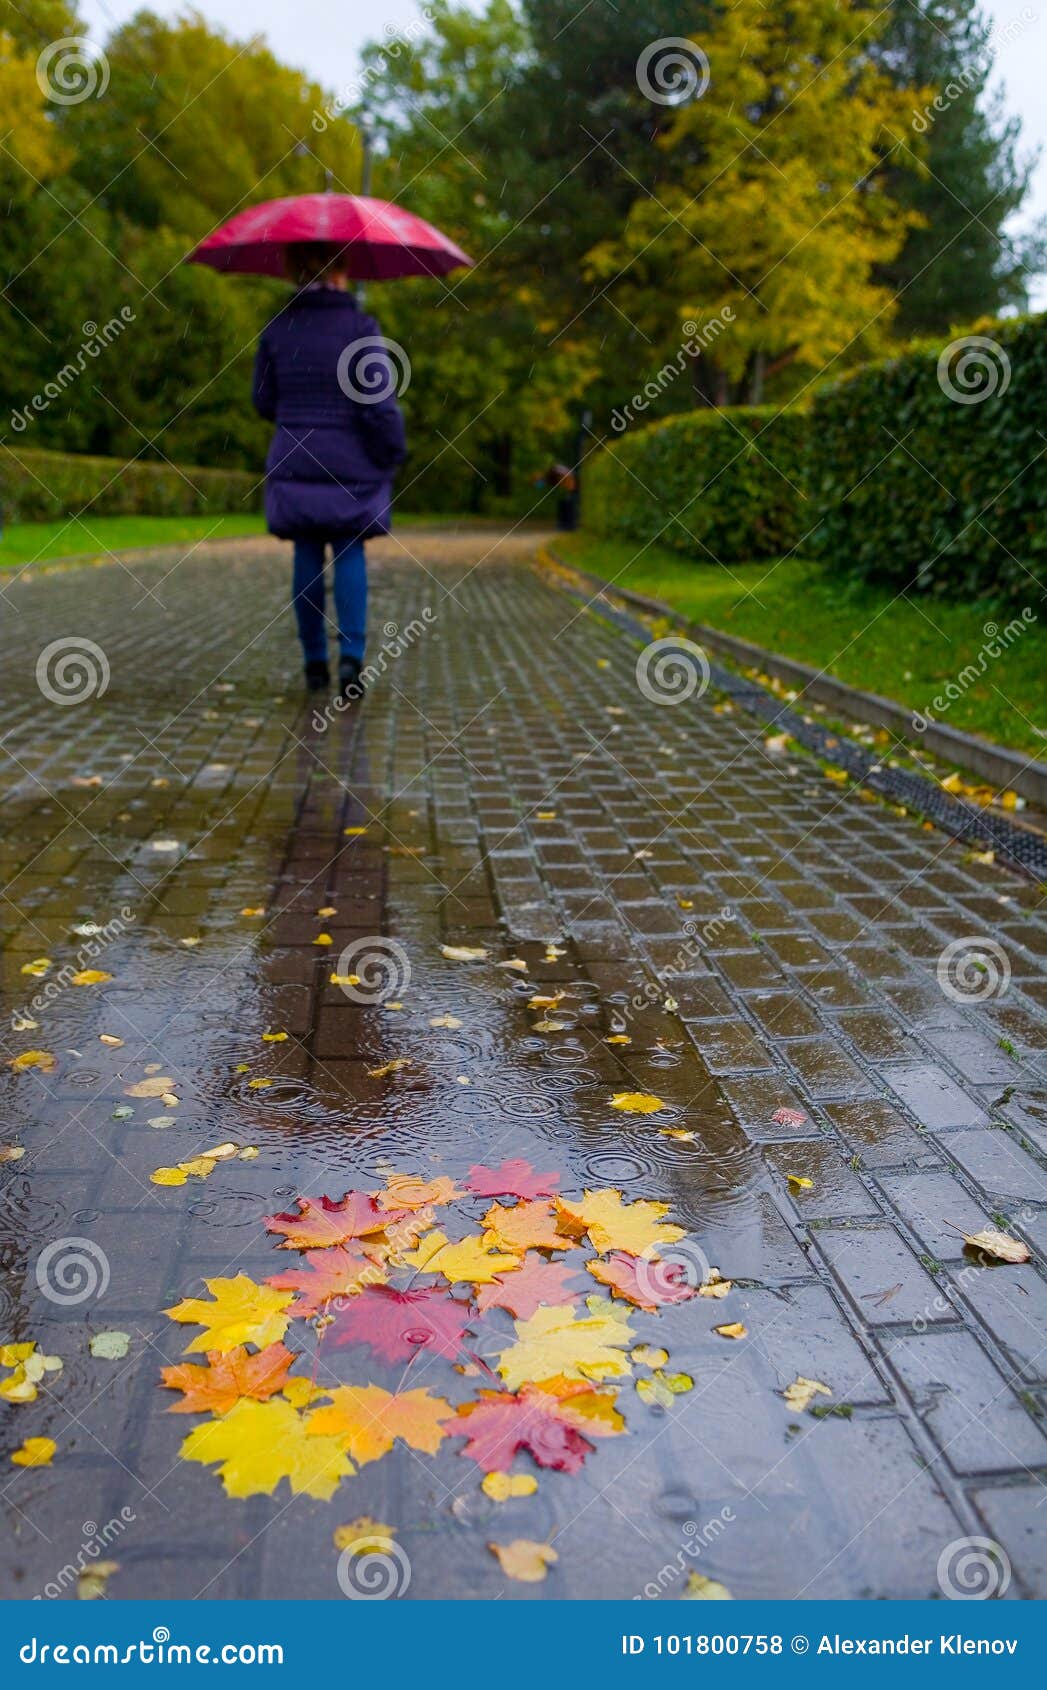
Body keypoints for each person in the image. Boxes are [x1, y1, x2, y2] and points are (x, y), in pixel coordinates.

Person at [252, 242, 407, 695]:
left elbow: (262, 400)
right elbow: (379, 406)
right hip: (350, 462)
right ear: (341, 271)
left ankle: (315, 661)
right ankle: (351, 660)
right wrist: (391, 452)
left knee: (305, 554)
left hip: (296, 455)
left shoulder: (278, 330)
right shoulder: (361, 329)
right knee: (349, 550)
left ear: (292, 270)